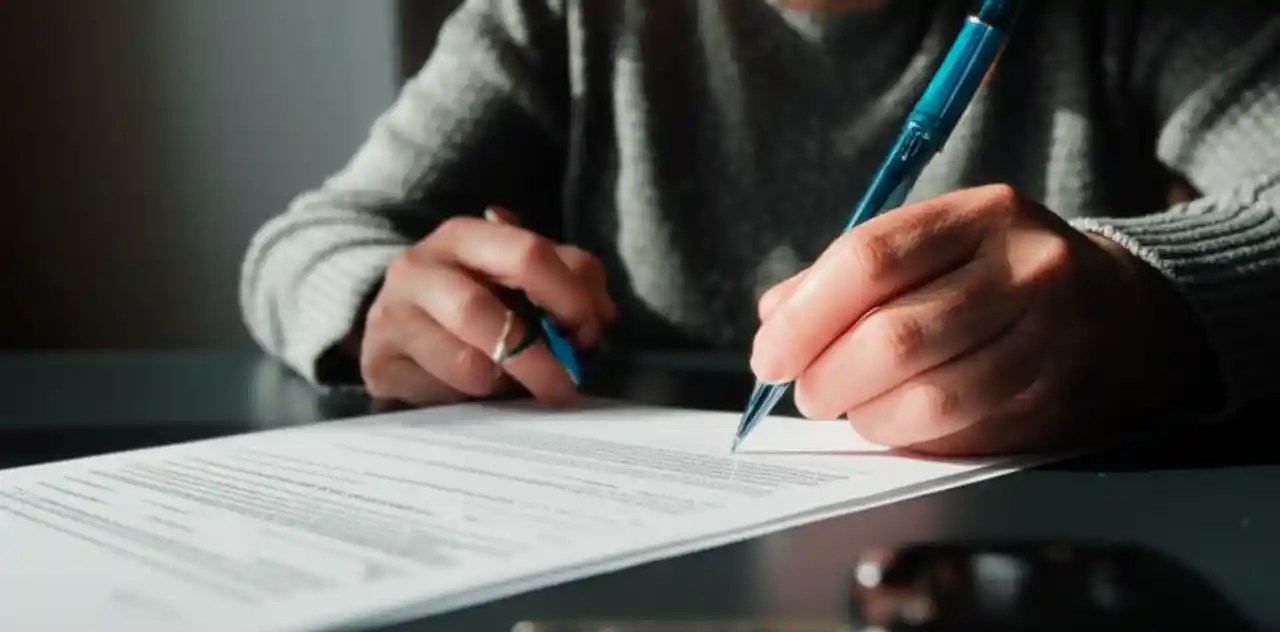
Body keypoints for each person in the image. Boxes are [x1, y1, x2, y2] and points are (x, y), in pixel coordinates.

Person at [239, 0, 1280, 456]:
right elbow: (311, 235)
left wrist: (1138, 299)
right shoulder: (563, 14)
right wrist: (383, 299)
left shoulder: (1130, 11)